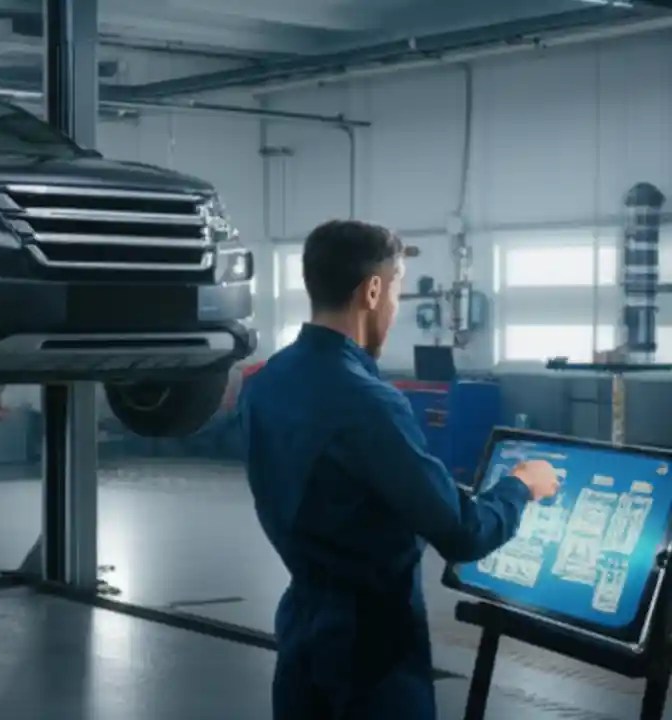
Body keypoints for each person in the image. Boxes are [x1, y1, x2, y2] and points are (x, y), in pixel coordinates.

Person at [238, 219, 560, 720]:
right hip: (372, 654)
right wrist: (521, 486)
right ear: (372, 290)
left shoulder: (268, 381)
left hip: (302, 631)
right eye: (396, 290)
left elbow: (340, 485)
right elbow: (462, 533)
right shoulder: (367, 400)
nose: (392, 307)